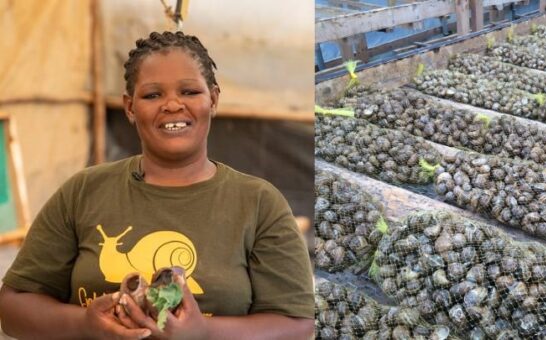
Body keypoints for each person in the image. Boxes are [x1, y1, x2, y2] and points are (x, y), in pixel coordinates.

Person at [0, 31, 314, 339]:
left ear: (213, 100)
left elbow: (298, 325)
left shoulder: (259, 202)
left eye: (189, 91)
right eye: (153, 95)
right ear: (129, 107)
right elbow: (12, 307)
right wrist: (83, 323)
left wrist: (204, 333)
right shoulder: (84, 191)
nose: (173, 105)